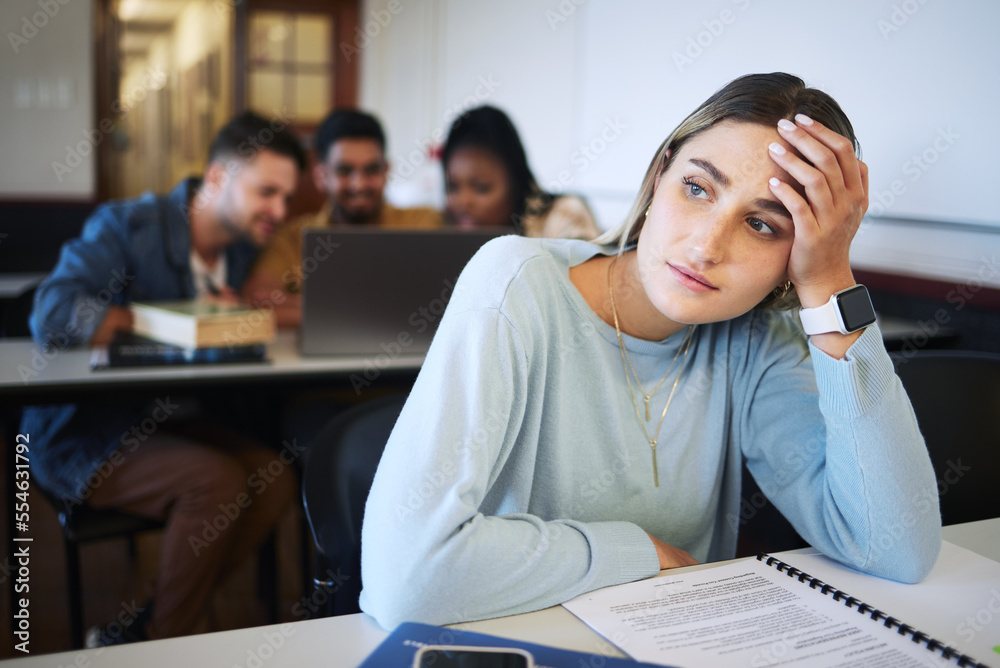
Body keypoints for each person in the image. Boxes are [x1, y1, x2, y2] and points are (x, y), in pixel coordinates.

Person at [359, 73, 942, 629]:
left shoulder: (755, 335)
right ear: (660, 174)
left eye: (762, 225)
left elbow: (895, 547)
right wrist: (637, 553)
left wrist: (831, 284)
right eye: (696, 188)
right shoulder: (515, 283)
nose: (706, 246)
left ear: (795, 260)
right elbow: (405, 578)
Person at [21, 111, 307, 643]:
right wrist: (166, 319)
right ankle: (162, 645)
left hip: (175, 423)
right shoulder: (130, 225)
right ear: (218, 178)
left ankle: (143, 629)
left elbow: (268, 309)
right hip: (86, 431)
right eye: (268, 192)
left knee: (273, 480)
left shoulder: (245, 248)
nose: (279, 211)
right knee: (216, 481)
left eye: (287, 198)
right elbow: (52, 310)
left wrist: (242, 311)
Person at [242, 109, 442, 328]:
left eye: (372, 170)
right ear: (321, 175)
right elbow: (257, 304)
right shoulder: (293, 237)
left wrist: (322, 311)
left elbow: (442, 304)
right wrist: (377, 314)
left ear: (386, 170)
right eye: (345, 171)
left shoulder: (423, 223)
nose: (359, 184)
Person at [442, 105, 601, 240]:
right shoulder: (441, 226)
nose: (463, 202)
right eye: (453, 187)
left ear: (515, 181)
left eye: (481, 187)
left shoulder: (564, 215)